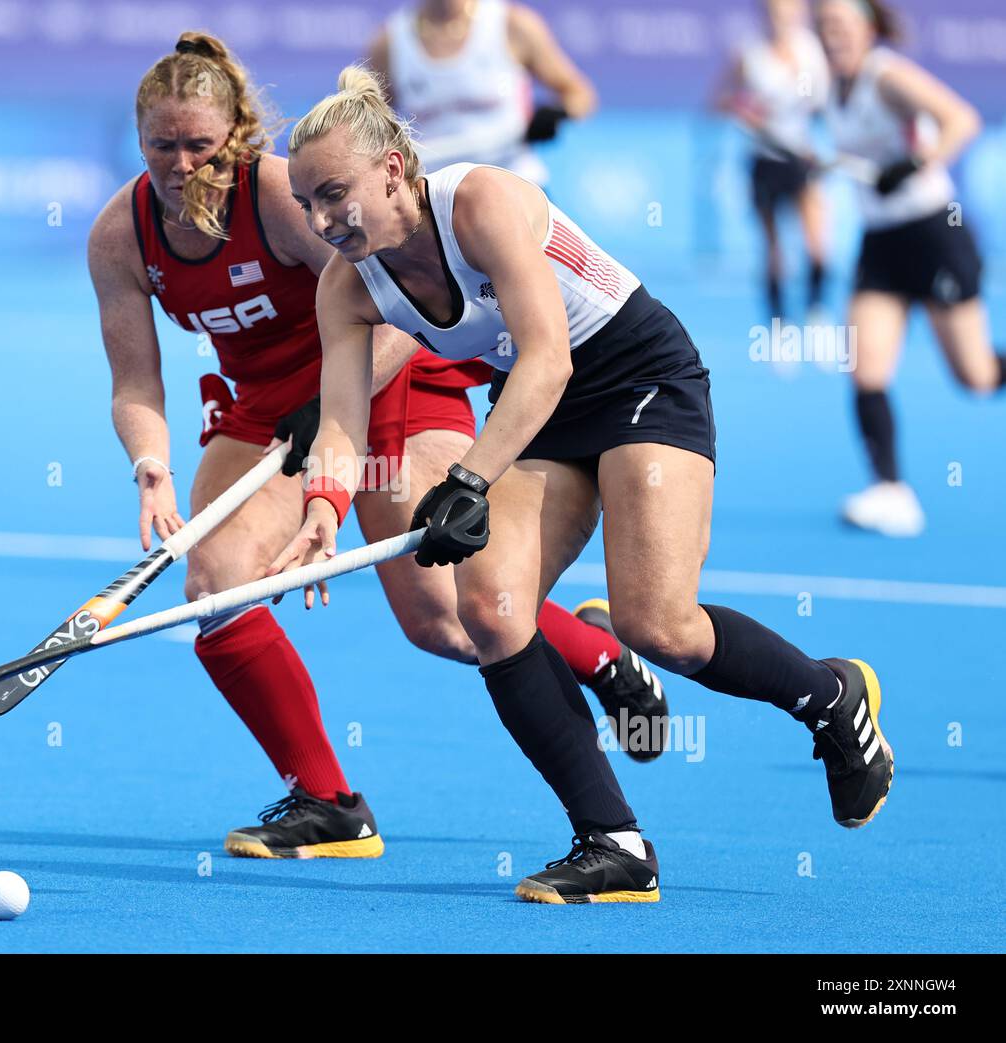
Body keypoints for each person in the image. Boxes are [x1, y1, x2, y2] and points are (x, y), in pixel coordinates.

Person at [275, 66, 894, 904]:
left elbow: (548, 357)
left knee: (660, 625)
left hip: (635, 374)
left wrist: (467, 478)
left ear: (393, 170)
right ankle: (615, 840)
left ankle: (832, 697)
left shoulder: (481, 203)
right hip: (544, 411)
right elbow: (342, 424)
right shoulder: (346, 286)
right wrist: (322, 509)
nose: (320, 220)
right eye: (308, 202)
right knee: (490, 612)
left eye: (333, 193)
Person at [88, 33, 665, 862]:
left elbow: (391, 309)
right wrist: (151, 467)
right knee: (215, 584)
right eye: (161, 146)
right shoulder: (123, 234)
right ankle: (328, 802)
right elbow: (136, 383)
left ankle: (598, 652)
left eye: (200, 145)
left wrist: (327, 406)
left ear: (238, 135)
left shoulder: (288, 197)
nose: (180, 165)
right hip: (262, 415)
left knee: (446, 619)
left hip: (390, 380)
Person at [816, 0, 1004, 537]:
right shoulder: (828, 88)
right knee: (866, 368)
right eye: (826, 28)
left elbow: (960, 119)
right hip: (880, 243)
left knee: (976, 376)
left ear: (868, 29)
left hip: (933, 235)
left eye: (844, 27)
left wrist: (915, 165)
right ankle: (892, 491)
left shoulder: (888, 75)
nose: (835, 37)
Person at [367, 0, 595, 184]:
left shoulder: (511, 24)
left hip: (515, 182)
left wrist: (556, 113)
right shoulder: (390, 43)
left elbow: (578, 93)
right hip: (435, 195)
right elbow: (368, 124)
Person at [714, 0, 831, 326]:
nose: (782, 17)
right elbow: (720, 100)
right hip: (764, 161)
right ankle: (779, 325)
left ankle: (815, 314)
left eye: (788, 9)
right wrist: (744, 109)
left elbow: (825, 103)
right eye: (774, 10)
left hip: (801, 159)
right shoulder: (749, 54)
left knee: (818, 248)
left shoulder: (811, 51)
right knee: (774, 250)